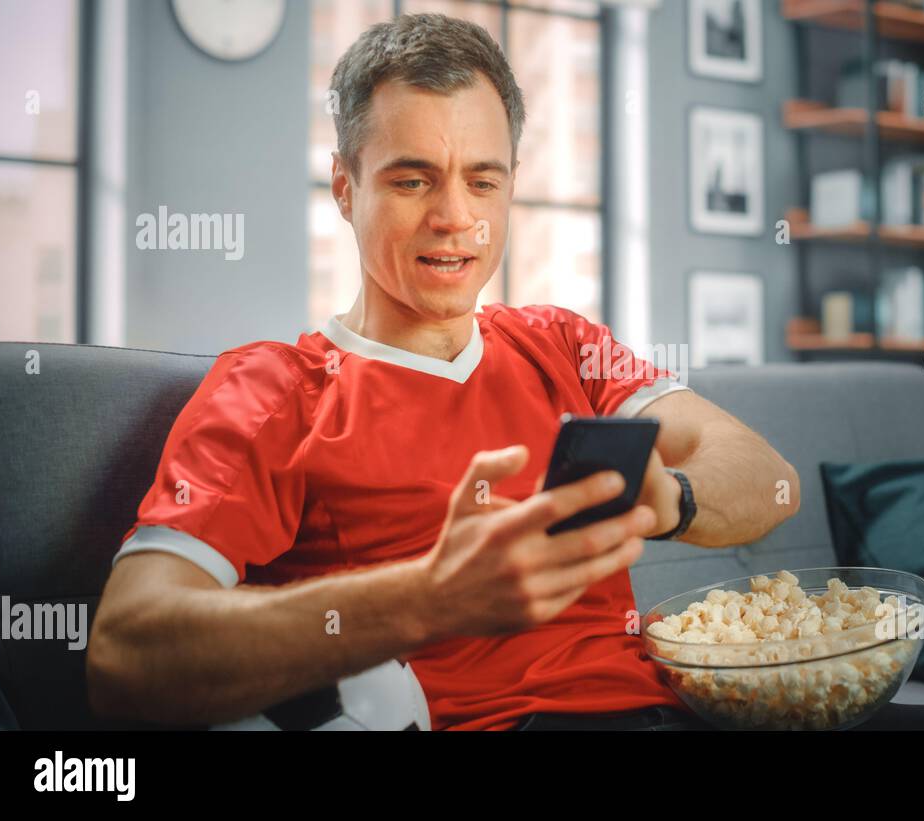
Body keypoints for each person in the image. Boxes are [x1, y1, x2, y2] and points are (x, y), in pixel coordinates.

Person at [86, 13, 800, 731]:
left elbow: (768, 477)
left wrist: (666, 499)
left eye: (482, 181)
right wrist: (430, 595)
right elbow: (124, 655)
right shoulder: (273, 390)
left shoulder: (564, 342)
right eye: (412, 180)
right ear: (344, 187)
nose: (456, 218)